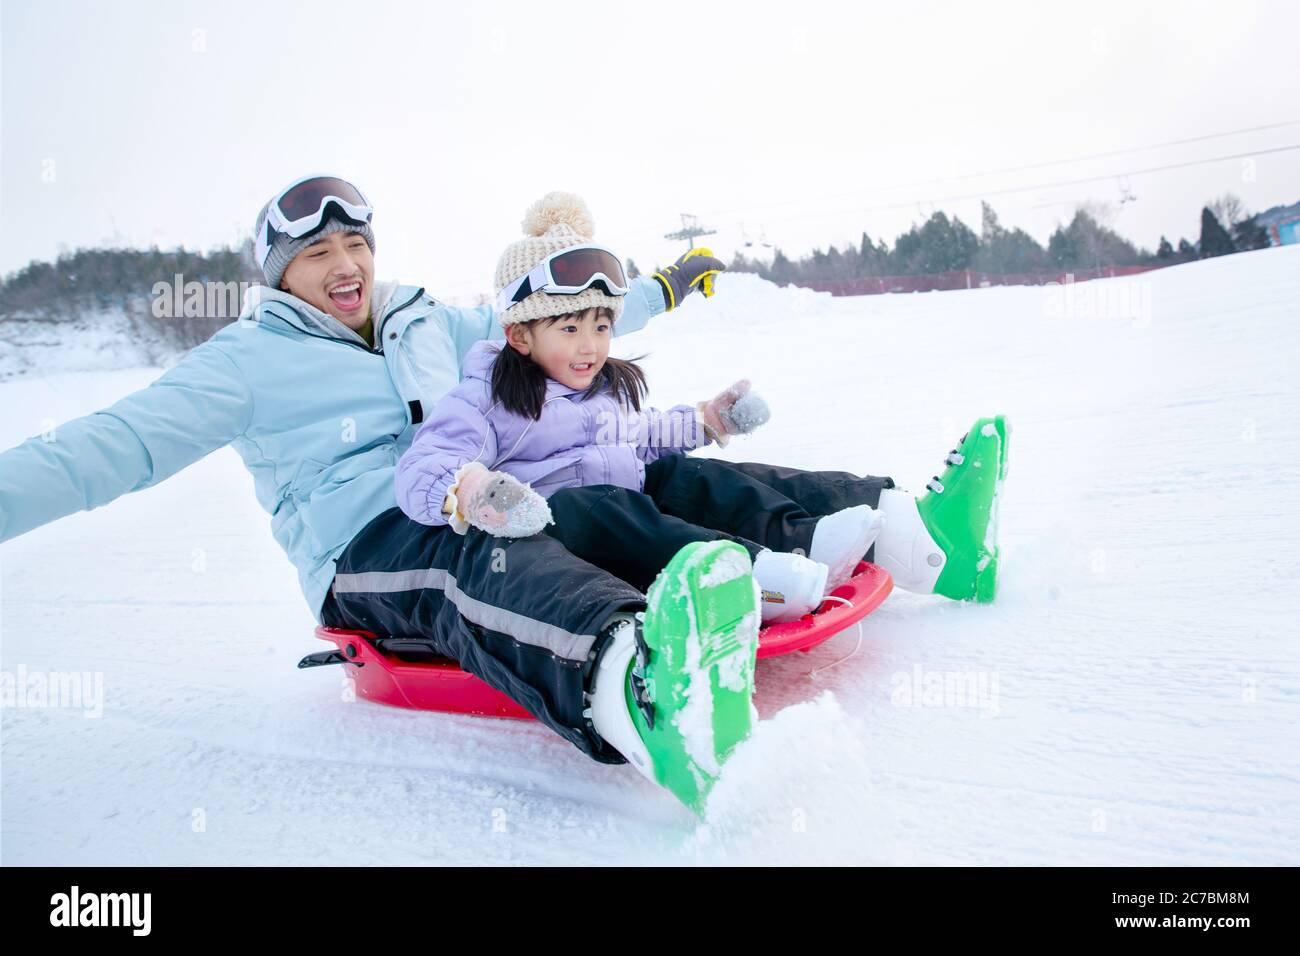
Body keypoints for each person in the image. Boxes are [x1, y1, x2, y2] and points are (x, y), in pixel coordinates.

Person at [0, 174, 1007, 813]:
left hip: (506, 488)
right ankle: (644, 683)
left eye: (354, 244)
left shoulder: (422, 319)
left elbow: (542, 312)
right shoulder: (245, 360)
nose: (344, 264)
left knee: (639, 462)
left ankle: (908, 531)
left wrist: (660, 285)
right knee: (469, 564)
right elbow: (109, 446)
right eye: (315, 252)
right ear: (281, 272)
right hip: (372, 544)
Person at [393, 192, 887, 624]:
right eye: (570, 329)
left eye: (602, 327)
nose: (590, 347)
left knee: (678, 475)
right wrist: (473, 492)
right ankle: (751, 577)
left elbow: (640, 435)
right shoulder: (486, 397)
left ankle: (804, 539)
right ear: (519, 334)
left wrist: (705, 421)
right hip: (560, 546)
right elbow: (421, 467)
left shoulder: (594, 387)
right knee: (595, 505)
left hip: (622, 524)